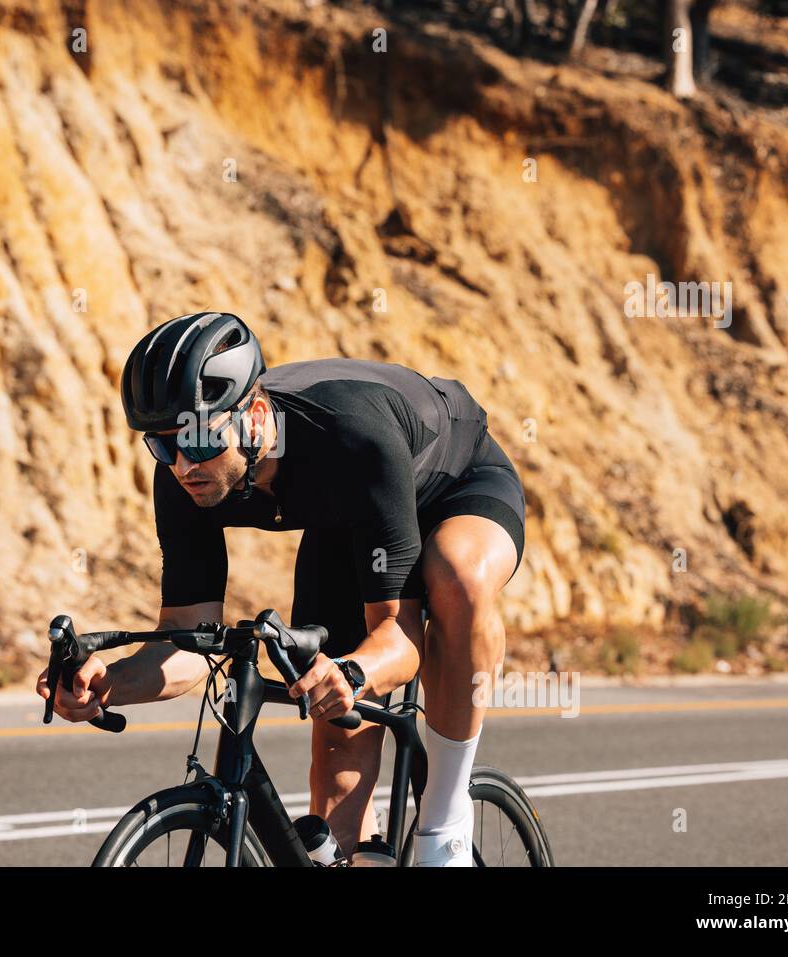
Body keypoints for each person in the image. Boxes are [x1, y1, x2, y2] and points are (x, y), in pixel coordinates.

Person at [37, 312, 526, 866]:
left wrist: (356, 672)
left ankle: (445, 824)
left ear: (254, 417)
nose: (182, 465)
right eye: (162, 446)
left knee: (456, 577)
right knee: (338, 782)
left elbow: (400, 633)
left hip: (456, 482)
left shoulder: (350, 436)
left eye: (198, 441)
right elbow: (186, 640)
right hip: (348, 521)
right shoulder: (183, 477)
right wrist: (110, 682)